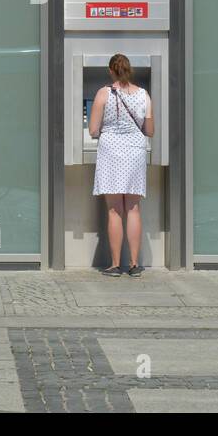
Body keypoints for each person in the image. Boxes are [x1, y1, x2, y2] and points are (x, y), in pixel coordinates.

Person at [88, 53, 155, 278]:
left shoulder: (103, 93)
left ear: (110, 71)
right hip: (135, 152)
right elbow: (150, 131)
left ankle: (115, 265)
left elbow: (93, 129)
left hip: (111, 153)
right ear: (130, 70)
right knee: (133, 208)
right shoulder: (144, 95)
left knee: (115, 209)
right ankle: (135, 264)